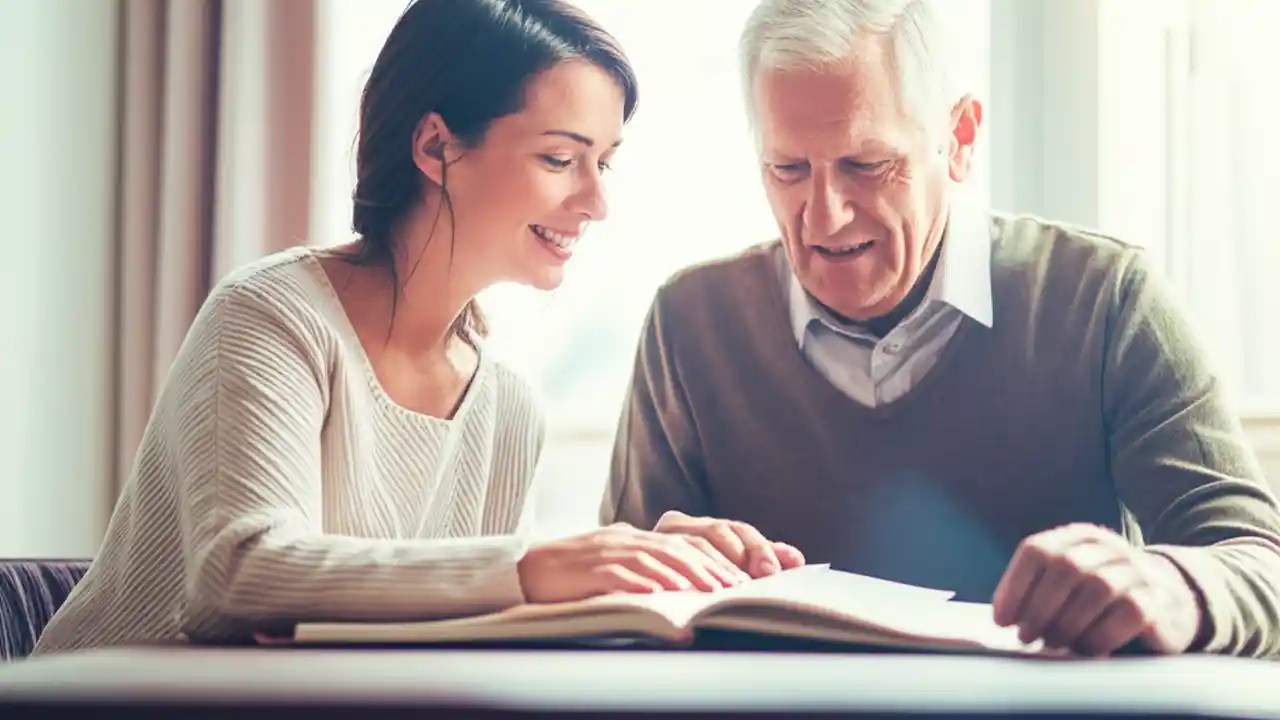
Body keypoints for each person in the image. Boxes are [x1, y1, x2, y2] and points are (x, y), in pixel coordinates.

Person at [36, 0, 753, 655]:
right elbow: (239, 574)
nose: (596, 201)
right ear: (436, 147)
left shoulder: (506, 409)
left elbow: (453, 634)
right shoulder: (272, 316)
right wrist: (542, 565)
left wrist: (642, 574)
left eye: (604, 163)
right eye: (560, 159)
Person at [603, 0, 1280, 658]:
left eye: (866, 166)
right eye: (788, 170)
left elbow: (1262, 564)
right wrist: (647, 580)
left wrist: (1171, 585)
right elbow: (609, 619)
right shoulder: (689, 324)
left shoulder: (1103, 300)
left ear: (958, 139)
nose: (824, 217)